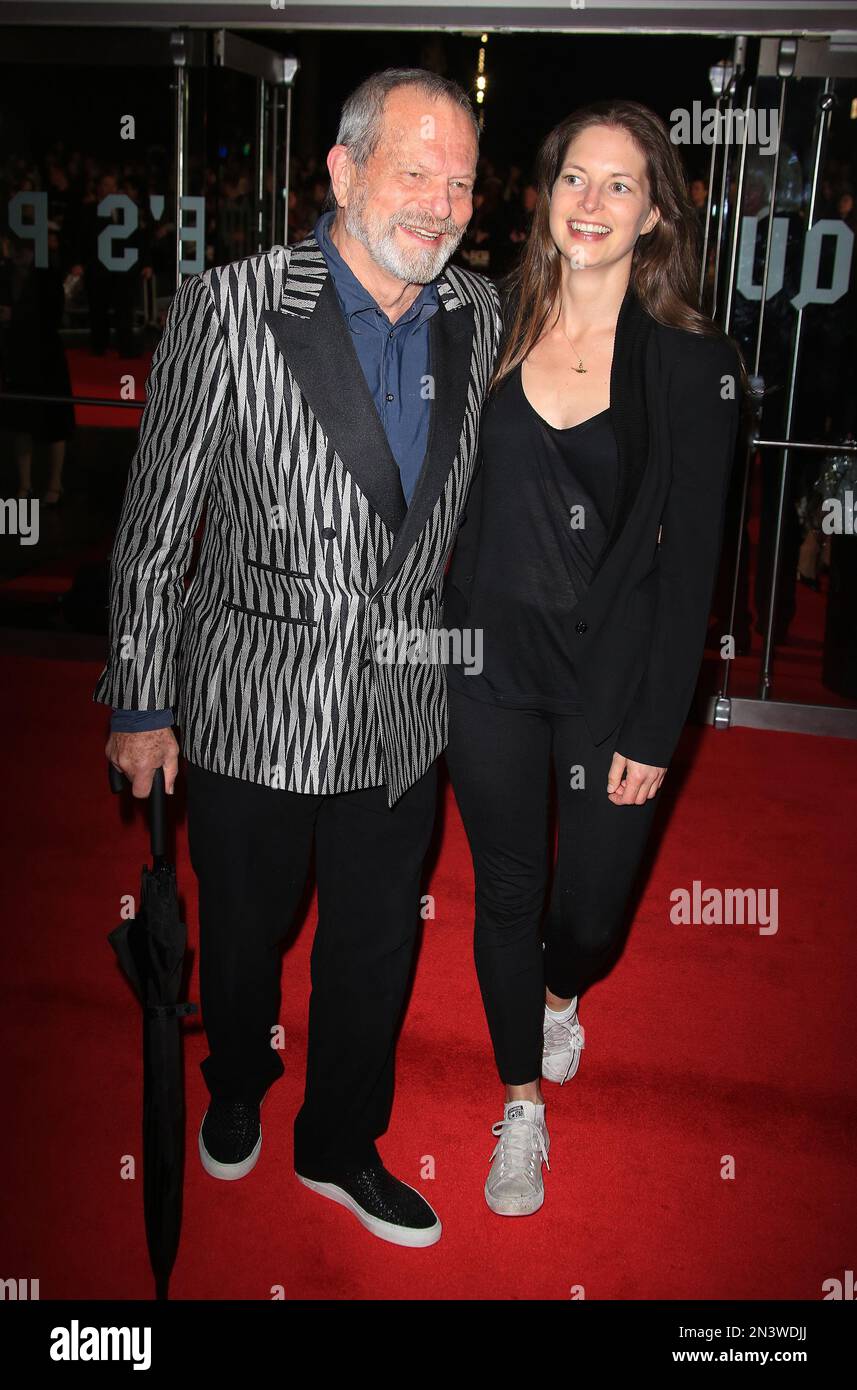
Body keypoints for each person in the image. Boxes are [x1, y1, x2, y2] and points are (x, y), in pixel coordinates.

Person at [94, 68, 501, 1248]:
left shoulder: (473, 317)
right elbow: (156, 524)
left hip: (398, 712)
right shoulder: (230, 304)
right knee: (245, 927)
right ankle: (232, 1080)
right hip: (251, 704)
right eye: (412, 170)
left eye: (460, 182)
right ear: (341, 169)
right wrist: (140, 698)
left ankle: (338, 1143)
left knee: (377, 941)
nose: (436, 202)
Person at [442, 100, 745, 1217]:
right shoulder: (488, 323)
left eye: (620, 184)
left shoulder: (690, 365)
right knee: (504, 890)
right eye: (576, 176)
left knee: (590, 908)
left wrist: (655, 729)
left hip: (612, 675)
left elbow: (693, 567)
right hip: (486, 666)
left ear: (654, 214)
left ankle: (561, 991)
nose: (591, 201)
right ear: (544, 192)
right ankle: (518, 1101)